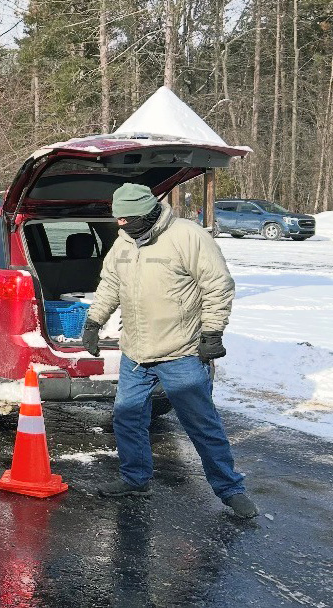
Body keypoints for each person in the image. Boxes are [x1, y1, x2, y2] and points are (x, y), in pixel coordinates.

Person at [83, 183, 257, 519]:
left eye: (128, 219)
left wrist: (212, 332)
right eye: (118, 220)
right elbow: (111, 284)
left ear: (148, 213)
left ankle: (230, 490)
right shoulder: (124, 241)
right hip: (136, 352)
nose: (122, 225)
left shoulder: (187, 236)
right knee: (127, 418)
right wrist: (94, 321)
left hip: (181, 352)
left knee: (201, 424)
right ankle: (135, 479)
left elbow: (218, 286)